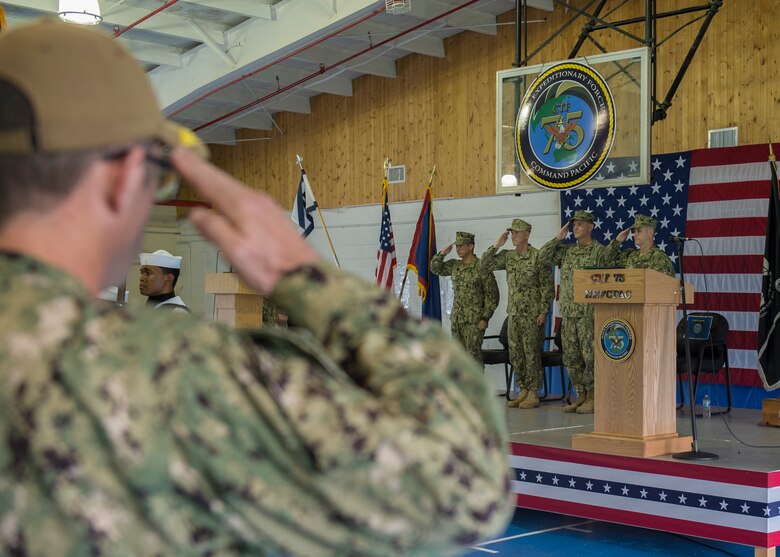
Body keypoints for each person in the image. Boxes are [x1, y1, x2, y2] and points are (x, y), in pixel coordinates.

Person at [0, 21, 511, 556]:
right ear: (124, 177)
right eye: (159, 177)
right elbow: (462, 484)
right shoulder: (167, 374)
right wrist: (307, 280)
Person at [540, 210, 607, 414]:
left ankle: (594, 395)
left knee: (589, 357)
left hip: (589, 314)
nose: (575, 227)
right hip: (568, 313)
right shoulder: (567, 251)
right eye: (573, 224)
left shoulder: (599, 251)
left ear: (590, 227)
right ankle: (582, 395)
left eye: (580, 224)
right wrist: (557, 238)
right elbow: (542, 258)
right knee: (571, 357)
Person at [482, 219, 554, 409]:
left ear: (527, 235)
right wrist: (497, 245)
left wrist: (544, 311)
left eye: (516, 232)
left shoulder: (538, 257)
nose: (513, 235)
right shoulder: (508, 257)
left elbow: (547, 287)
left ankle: (533, 392)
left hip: (532, 315)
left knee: (531, 353)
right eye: (511, 232)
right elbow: (485, 265)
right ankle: (522, 389)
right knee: (516, 354)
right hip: (513, 313)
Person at [430, 231, 499, 362]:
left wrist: (485, 317)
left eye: (461, 246)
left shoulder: (481, 267)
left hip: (475, 321)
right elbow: (435, 268)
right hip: (457, 319)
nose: (458, 249)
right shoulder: (455, 265)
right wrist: (442, 254)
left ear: (471, 246)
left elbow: (493, 295)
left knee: (473, 357)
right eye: (457, 246)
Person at [604, 213, 675, 277]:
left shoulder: (659, 258)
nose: (634, 234)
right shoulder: (630, 255)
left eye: (639, 231)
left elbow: (667, 286)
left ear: (650, 232)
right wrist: (617, 241)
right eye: (634, 231)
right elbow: (607, 260)